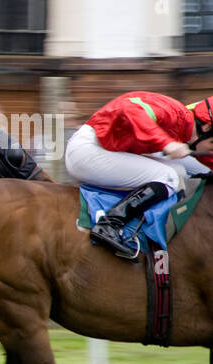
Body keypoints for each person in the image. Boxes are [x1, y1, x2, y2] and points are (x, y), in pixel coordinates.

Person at [64, 91, 213, 258]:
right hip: (87, 151)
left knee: (179, 172)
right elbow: (129, 108)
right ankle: (109, 225)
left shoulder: (186, 130)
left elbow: (208, 163)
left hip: (107, 150)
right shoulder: (172, 112)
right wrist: (166, 143)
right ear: (206, 127)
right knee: (169, 176)